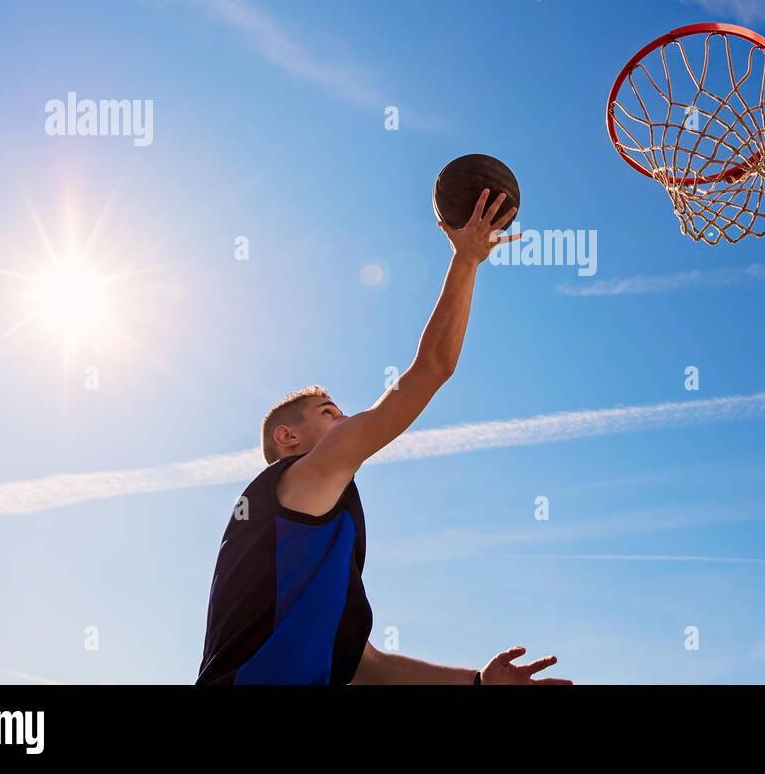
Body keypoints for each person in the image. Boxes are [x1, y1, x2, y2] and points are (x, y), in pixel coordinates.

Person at [197, 190, 571, 685]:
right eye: (330, 412)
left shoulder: (323, 528)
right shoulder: (293, 485)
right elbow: (432, 369)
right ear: (287, 437)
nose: (346, 420)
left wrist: (478, 683)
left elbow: (365, 666)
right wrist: (466, 260)